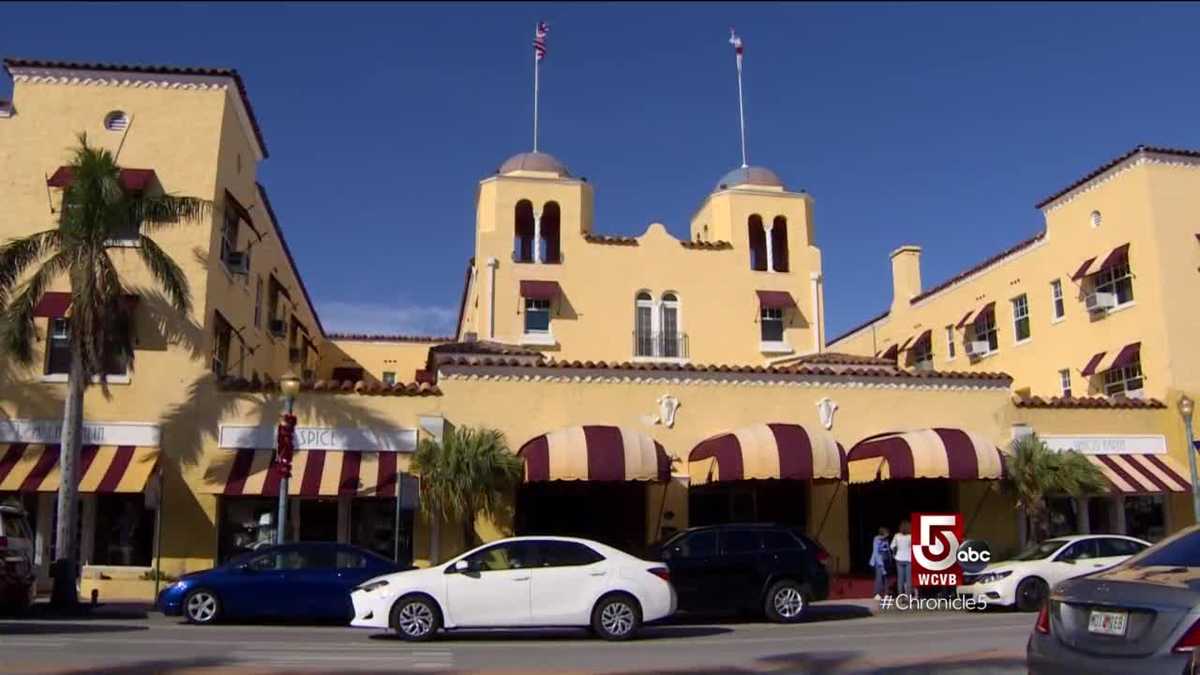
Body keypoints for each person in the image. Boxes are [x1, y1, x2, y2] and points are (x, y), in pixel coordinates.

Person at [868, 526, 892, 599]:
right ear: (883, 533)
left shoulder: (886, 540)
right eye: (886, 533)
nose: (888, 535)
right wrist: (881, 565)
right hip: (879, 561)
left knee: (886, 577)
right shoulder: (876, 539)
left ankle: (886, 593)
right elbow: (876, 553)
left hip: (886, 560)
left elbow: (888, 551)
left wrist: (890, 560)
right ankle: (877, 593)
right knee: (879, 577)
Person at [892, 520, 913, 597]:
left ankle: (900, 596)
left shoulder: (896, 535)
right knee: (908, 579)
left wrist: (894, 555)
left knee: (900, 579)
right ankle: (908, 596)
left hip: (899, 558)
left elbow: (893, 546)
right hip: (908, 559)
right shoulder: (911, 536)